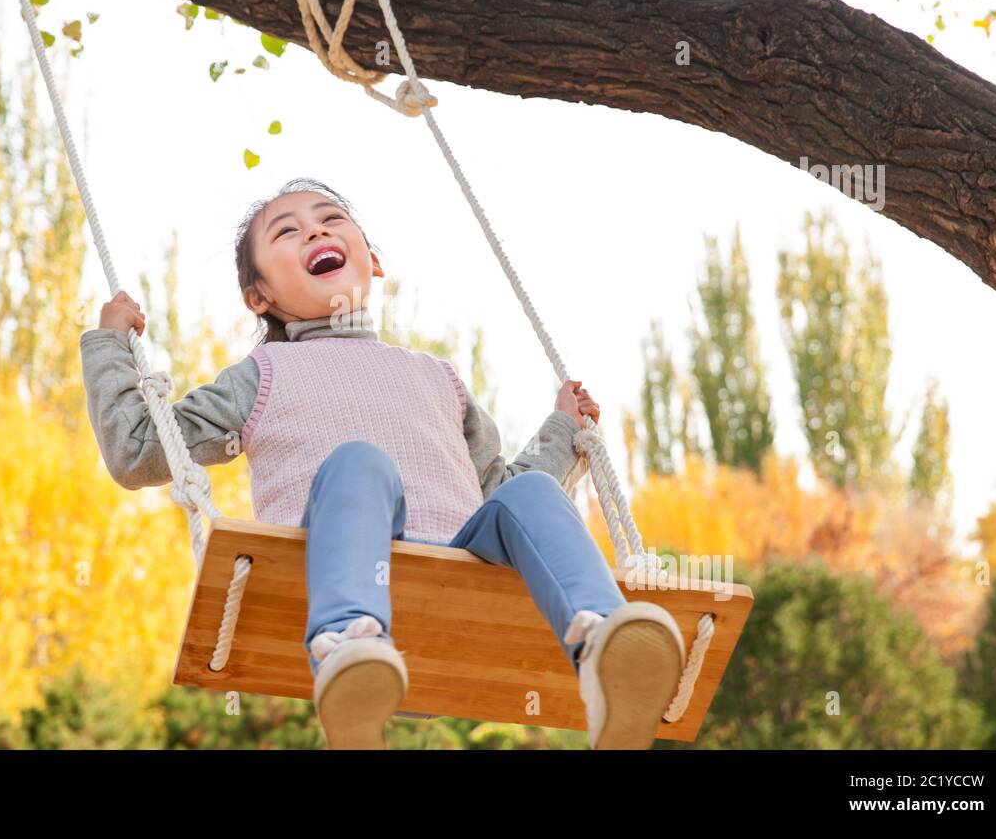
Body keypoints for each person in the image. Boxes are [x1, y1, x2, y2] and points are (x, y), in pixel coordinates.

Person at [80, 176, 685, 749]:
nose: (315, 233)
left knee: (529, 499)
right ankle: (349, 648)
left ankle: (607, 648)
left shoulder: (437, 377)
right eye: (286, 232)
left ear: (373, 260)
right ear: (257, 295)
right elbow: (136, 451)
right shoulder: (261, 377)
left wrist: (562, 429)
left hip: (460, 581)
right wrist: (110, 344)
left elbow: (504, 495)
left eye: (331, 219)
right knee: (360, 464)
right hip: (335, 587)